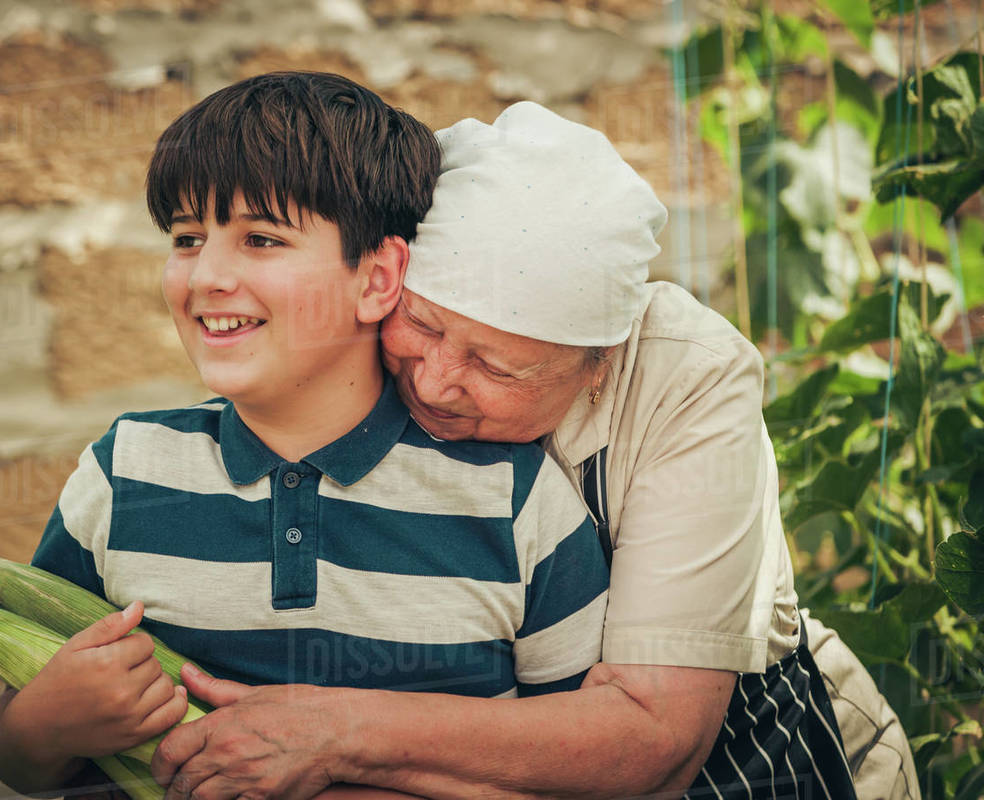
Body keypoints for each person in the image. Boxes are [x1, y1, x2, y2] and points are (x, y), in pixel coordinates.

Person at [149, 102, 918, 799]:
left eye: (496, 367)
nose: (438, 383)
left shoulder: (689, 378)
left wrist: (333, 731)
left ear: (596, 368)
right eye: (423, 326)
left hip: (756, 760)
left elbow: (658, 739)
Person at [0, 74, 611, 799]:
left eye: (260, 238)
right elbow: (13, 746)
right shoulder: (125, 472)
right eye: (187, 238)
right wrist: (45, 728)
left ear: (376, 280)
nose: (207, 274)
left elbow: (576, 761)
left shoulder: (515, 502)